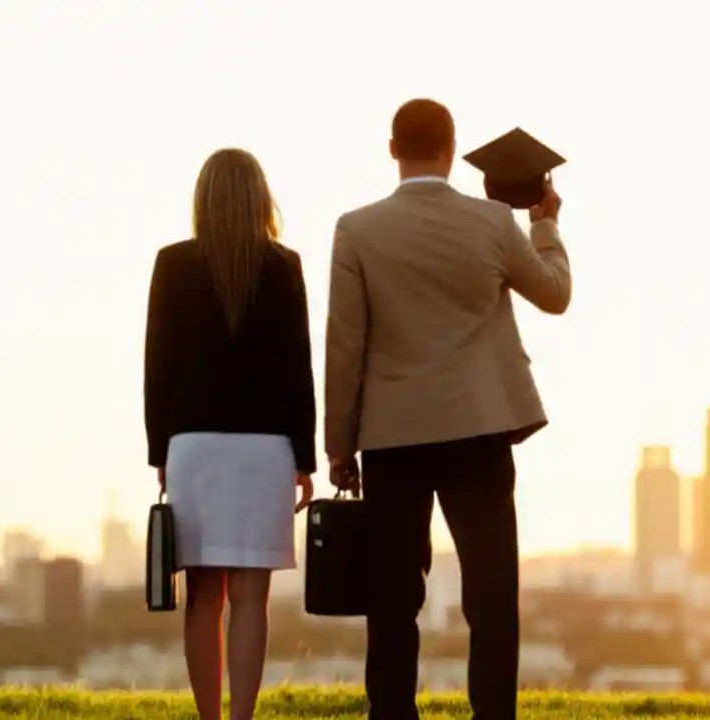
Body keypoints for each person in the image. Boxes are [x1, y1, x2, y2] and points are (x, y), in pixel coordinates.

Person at [325, 99, 571, 720]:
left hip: (392, 437)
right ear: (450, 148)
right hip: (478, 431)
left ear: (391, 150)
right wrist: (544, 224)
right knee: (491, 596)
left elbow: (344, 344)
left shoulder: (357, 230)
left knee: (392, 597)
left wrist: (338, 444)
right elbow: (555, 294)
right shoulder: (491, 223)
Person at [144, 148, 316, 720]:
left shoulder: (171, 263)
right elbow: (299, 368)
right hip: (265, 449)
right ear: (260, 199)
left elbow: (157, 365)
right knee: (250, 600)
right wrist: (305, 456)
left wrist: (158, 452)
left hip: (192, 446)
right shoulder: (283, 265)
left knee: (203, 598)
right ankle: (242, 716)